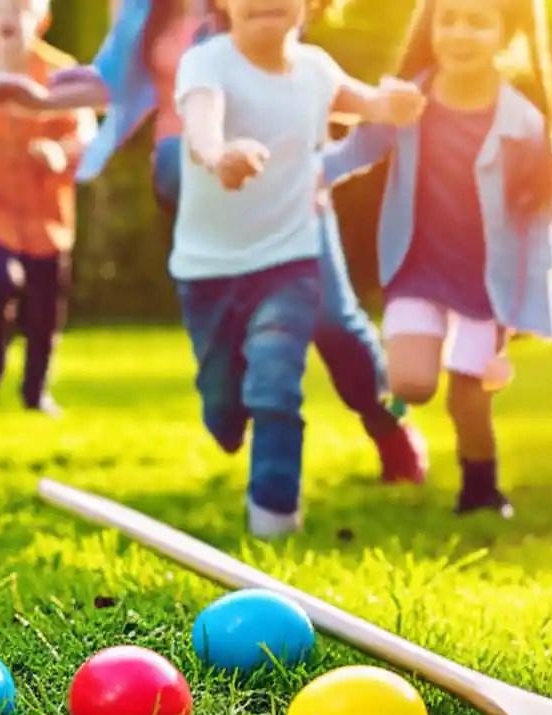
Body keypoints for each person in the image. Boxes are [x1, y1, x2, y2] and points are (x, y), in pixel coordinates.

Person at [0, 0, 431, 484]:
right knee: (181, 167)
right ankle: (234, 389)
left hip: (287, 189)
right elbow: (115, 81)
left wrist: (384, 108)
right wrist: (40, 101)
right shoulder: (148, 12)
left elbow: (315, 86)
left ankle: (386, 422)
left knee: (333, 324)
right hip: (196, 175)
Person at [172, 0, 426, 536]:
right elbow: (201, 124)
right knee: (223, 411)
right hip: (208, 269)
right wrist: (220, 155)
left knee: (286, 374)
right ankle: (227, 411)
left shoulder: (316, 69)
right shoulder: (208, 62)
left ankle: (276, 517)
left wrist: (394, 103)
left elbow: (369, 104)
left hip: (291, 255)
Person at [324, 0, 552, 517]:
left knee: (469, 399)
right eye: (448, 19)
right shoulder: (409, 100)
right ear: (430, 27)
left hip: (488, 289)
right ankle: (393, 411)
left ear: (507, 34)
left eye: (478, 22)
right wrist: (308, 177)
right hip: (418, 271)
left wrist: (523, 310)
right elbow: (355, 151)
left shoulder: (522, 122)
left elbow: (537, 229)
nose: (460, 33)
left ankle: (481, 489)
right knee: (412, 381)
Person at [0, 0, 97, 417]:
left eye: (21, 7)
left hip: (47, 215)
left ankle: (36, 388)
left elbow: (85, 128)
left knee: (45, 308)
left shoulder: (61, 72)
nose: (9, 15)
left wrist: (61, 153)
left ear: (41, 21)